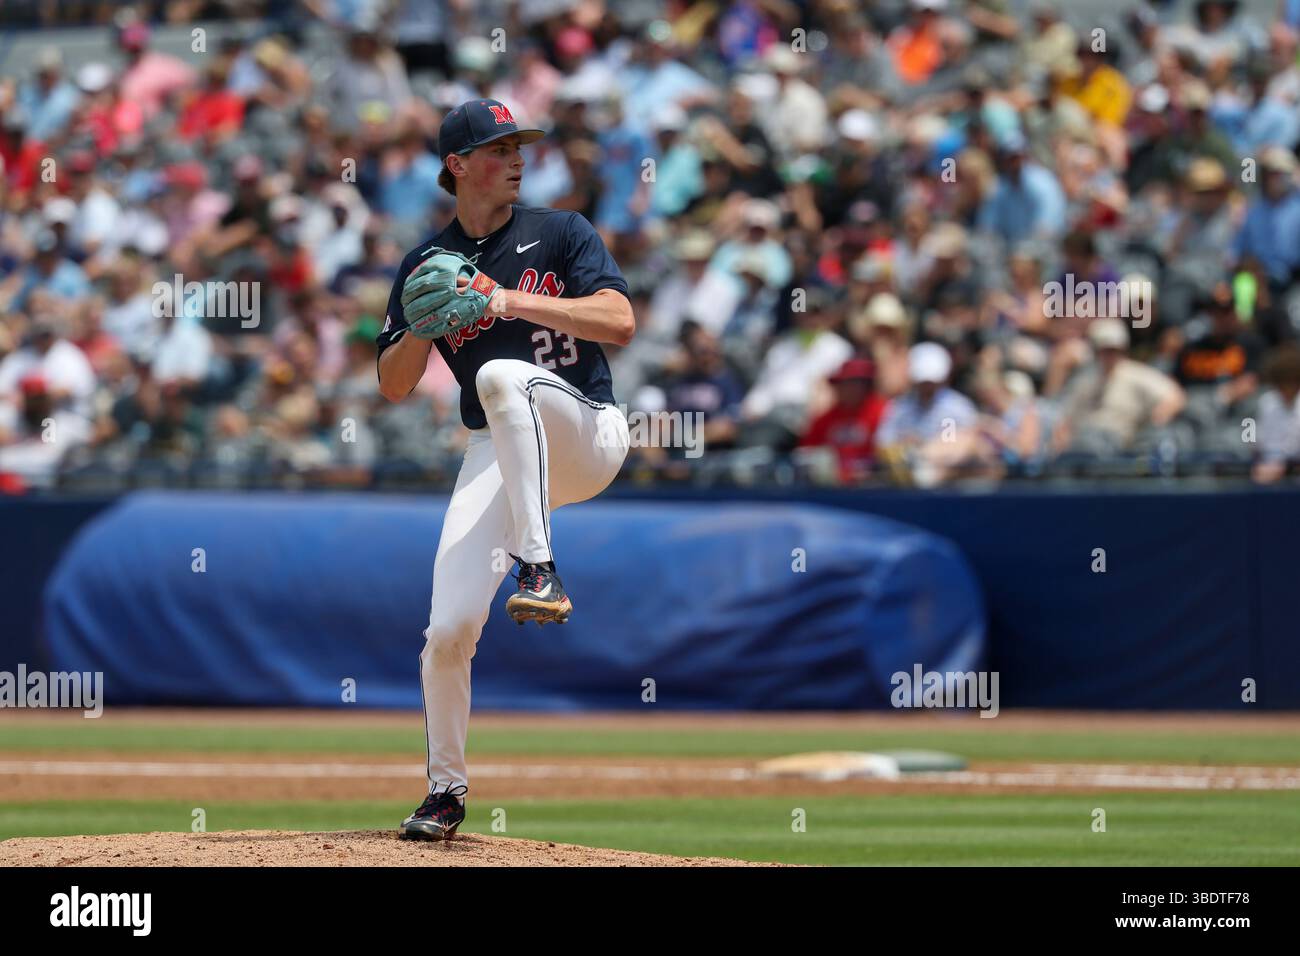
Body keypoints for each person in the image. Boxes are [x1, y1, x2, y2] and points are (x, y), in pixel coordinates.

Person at [375, 99, 633, 841]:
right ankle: (444, 794)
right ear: (457, 165)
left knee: (500, 379)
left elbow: (619, 321)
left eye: (519, 145)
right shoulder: (427, 263)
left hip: (585, 429)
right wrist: (420, 328)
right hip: (502, 450)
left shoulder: (560, 231)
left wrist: (505, 298)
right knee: (448, 626)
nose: (516, 157)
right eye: (497, 148)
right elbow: (393, 386)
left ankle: (540, 566)